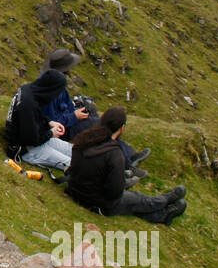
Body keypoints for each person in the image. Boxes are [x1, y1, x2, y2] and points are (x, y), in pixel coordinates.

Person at [40, 49, 150, 179]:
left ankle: (129, 155)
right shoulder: (48, 89)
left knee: (100, 123)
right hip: (66, 129)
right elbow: (51, 120)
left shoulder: (58, 82)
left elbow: (66, 105)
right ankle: (127, 165)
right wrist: (74, 116)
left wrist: (77, 110)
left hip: (72, 120)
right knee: (104, 127)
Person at [65, 108, 186, 224]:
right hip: (96, 203)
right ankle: (165, 200)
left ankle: (164, 215)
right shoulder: (114, 154)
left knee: (131, 204)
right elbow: (115, 193)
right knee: (136, 199)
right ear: (122, 128)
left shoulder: (83, 138)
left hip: (74, 190)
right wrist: (122, 183)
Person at [5, 70, 73, 171]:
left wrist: (50, 122)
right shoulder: (28, 104)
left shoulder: (28, 90)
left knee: (74, 149)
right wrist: (51, 133)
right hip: (26, 149)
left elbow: (35, 115)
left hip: (37, 138)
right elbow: (32, 140)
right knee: (72, 163)